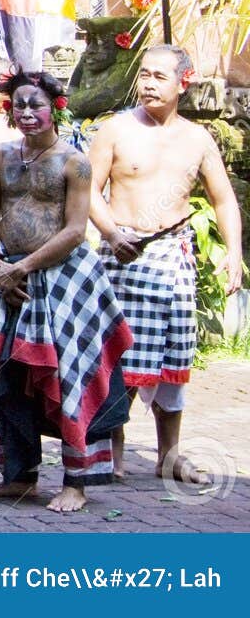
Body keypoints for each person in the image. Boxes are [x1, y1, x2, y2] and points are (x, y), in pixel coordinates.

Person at [88, 44, 243, 483]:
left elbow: (223, 198)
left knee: (173, 357)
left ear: (183, 82)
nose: (148, 83)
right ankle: (111, 455)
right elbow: (89, 192)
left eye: (159, 76)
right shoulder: (115, 130)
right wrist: (113, 234)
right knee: (113, 354)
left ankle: (169, 455)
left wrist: (232, 253)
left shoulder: (197, 138)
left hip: (171, 255)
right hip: (120, 254)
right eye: (144, 74)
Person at [0, 71, 132, 513]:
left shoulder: (73, 161)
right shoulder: (1, 155)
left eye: (35, 105)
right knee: (8, 378)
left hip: (63, 280)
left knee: (70, 376)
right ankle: (18, 476)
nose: (26, 112)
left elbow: (74, 229)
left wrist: (21, 268)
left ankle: (76, 482)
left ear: (55, 109)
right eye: (19, 105)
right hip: (9, 277)